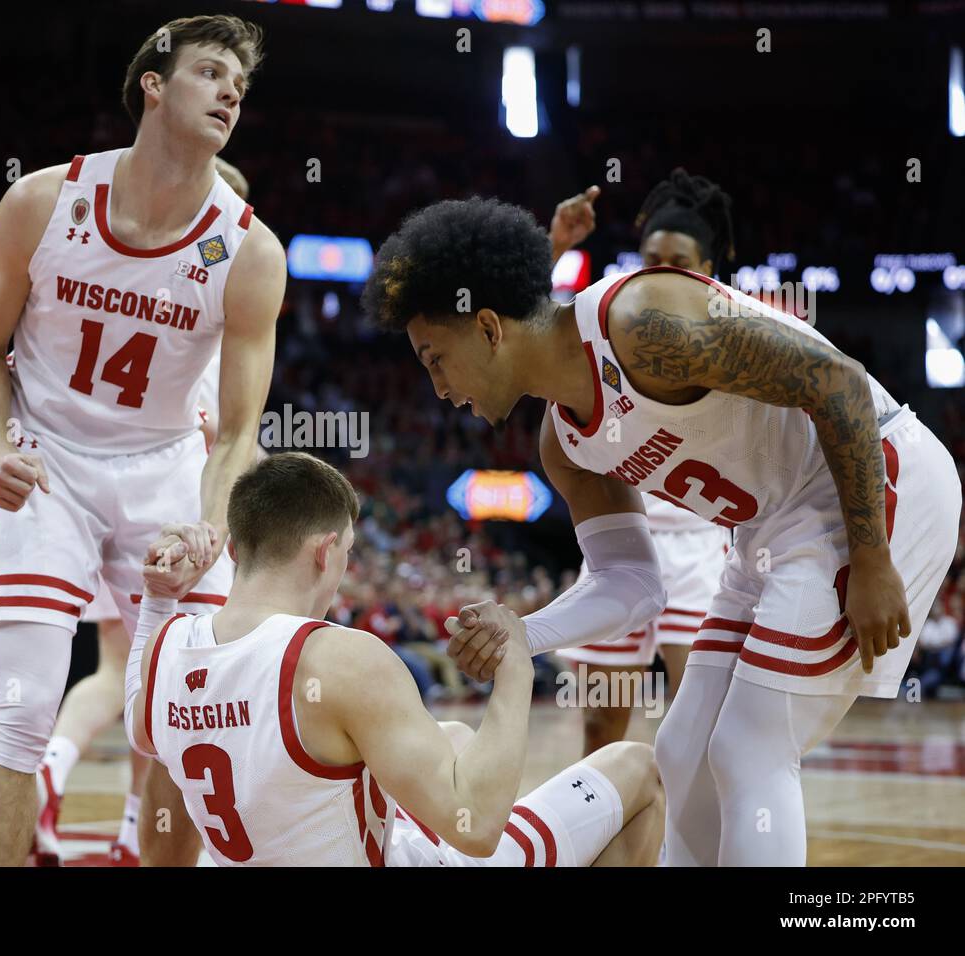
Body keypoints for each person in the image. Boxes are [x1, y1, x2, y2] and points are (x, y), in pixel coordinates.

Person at [364, 195, 962, 865]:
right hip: (769, 525)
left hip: (879, 477)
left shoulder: (639, 324)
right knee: (682, 749)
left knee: (749, 745)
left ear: (488, 329)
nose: (438, 388)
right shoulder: (564, 444)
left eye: (435, 359)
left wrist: (872, 554)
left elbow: (841, 385)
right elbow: (633, 586)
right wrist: (520, 635)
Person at [0, 14, 286, 866]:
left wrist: (212, 522)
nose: (229, 94)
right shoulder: (41, 200)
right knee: (23, 706)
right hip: (49, 465)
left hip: (167, 472)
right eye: (211, 73)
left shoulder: (250, 252)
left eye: (239, 87)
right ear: (153, 83)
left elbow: (240, 427)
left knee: (178, 716)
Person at [126, 452, 664, 867]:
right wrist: (516, 662)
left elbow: (140, 731)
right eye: (347, 553)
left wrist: (159, 596)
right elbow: (475, 827)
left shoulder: (164, 649)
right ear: (325, 550)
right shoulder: (340, 657)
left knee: (451, 734)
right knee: (640, 766)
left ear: (237, 549)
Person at [33, 156, 255, 867]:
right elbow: (224, 438)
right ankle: (138, 831)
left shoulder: (140, 283)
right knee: (165, 681)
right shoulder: (215, 322)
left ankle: (62, 776)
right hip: (171, 512)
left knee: (116, 671)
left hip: (84, 485)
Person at [547, 171, 734, 754]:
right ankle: (607, 843)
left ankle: (693, 846)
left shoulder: (737, 333)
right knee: (602, 728)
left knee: (695, 727)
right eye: (652, 257)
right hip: (620, 539)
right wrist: (555, 246)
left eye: (679, 259)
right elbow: (530, 328)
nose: (662, 268)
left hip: (701, 546)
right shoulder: (605, 316)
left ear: (707, 268)